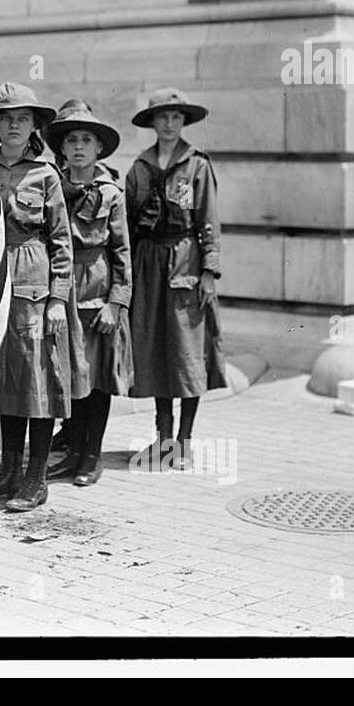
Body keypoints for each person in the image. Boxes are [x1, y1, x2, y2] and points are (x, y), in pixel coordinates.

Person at [0, 82, 73, 512]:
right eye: (6, 117)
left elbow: (62, 241)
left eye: (23, 118)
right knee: (5, 384)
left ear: (34, 125)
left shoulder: (45, 175)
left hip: (33, 285)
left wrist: (56, 300)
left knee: (37, 385)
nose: (14, 125)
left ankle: (34, 477)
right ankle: (8, 472)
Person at [125, 87, 226, 471]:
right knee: (155, 351)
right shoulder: (140, 168)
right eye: (162, 117)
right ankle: (163, 438)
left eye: (176, 117)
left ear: (184, 122)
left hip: (186, 264)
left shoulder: (197, 165)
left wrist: (208, 271)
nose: (169, 124)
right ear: (152, 122)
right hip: (148, 265)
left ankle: (184, 442)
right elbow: (130, 225)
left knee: (187, 354)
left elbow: (209, 221)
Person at [45, 99, 133, 486]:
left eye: (87, 140)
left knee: (95, 380)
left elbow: (121, 251)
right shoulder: (50, 185)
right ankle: (73, 451)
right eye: (71, 140)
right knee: (66, 375)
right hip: (59, 290)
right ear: (61, 148)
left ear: (99, 148)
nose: (79, 146)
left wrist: (117, 302)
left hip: (95, 292)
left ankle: (91, 457)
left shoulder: (111, 193)